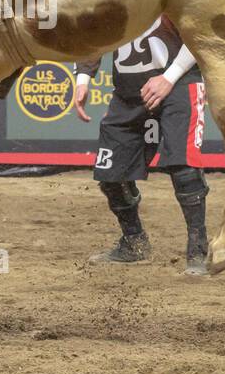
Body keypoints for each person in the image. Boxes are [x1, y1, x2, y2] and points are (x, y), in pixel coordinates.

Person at [73, 15, 210, 276]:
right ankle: (134, 243)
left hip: (179, 83)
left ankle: (198, 250)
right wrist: (83, 80)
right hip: (128, 92)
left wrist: (169, 78)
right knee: (111, 174)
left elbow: (200, 28)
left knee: (184, 167)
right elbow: (94, 31)